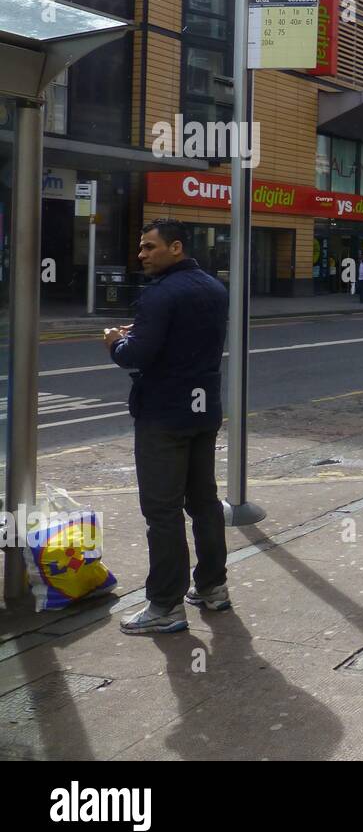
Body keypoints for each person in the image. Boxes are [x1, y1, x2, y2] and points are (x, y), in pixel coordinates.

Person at [106, 218, 229, 634]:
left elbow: (136, 355)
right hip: (204, 409)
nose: (141, 254)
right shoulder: (214, 288)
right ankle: (213, 588)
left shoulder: (159, 294)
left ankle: (164, 606)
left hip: (164, 414)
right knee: (204, 502)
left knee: (162, 511)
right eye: (141, 247)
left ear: (176, 247)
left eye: (149, 247)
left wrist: (115, 342)